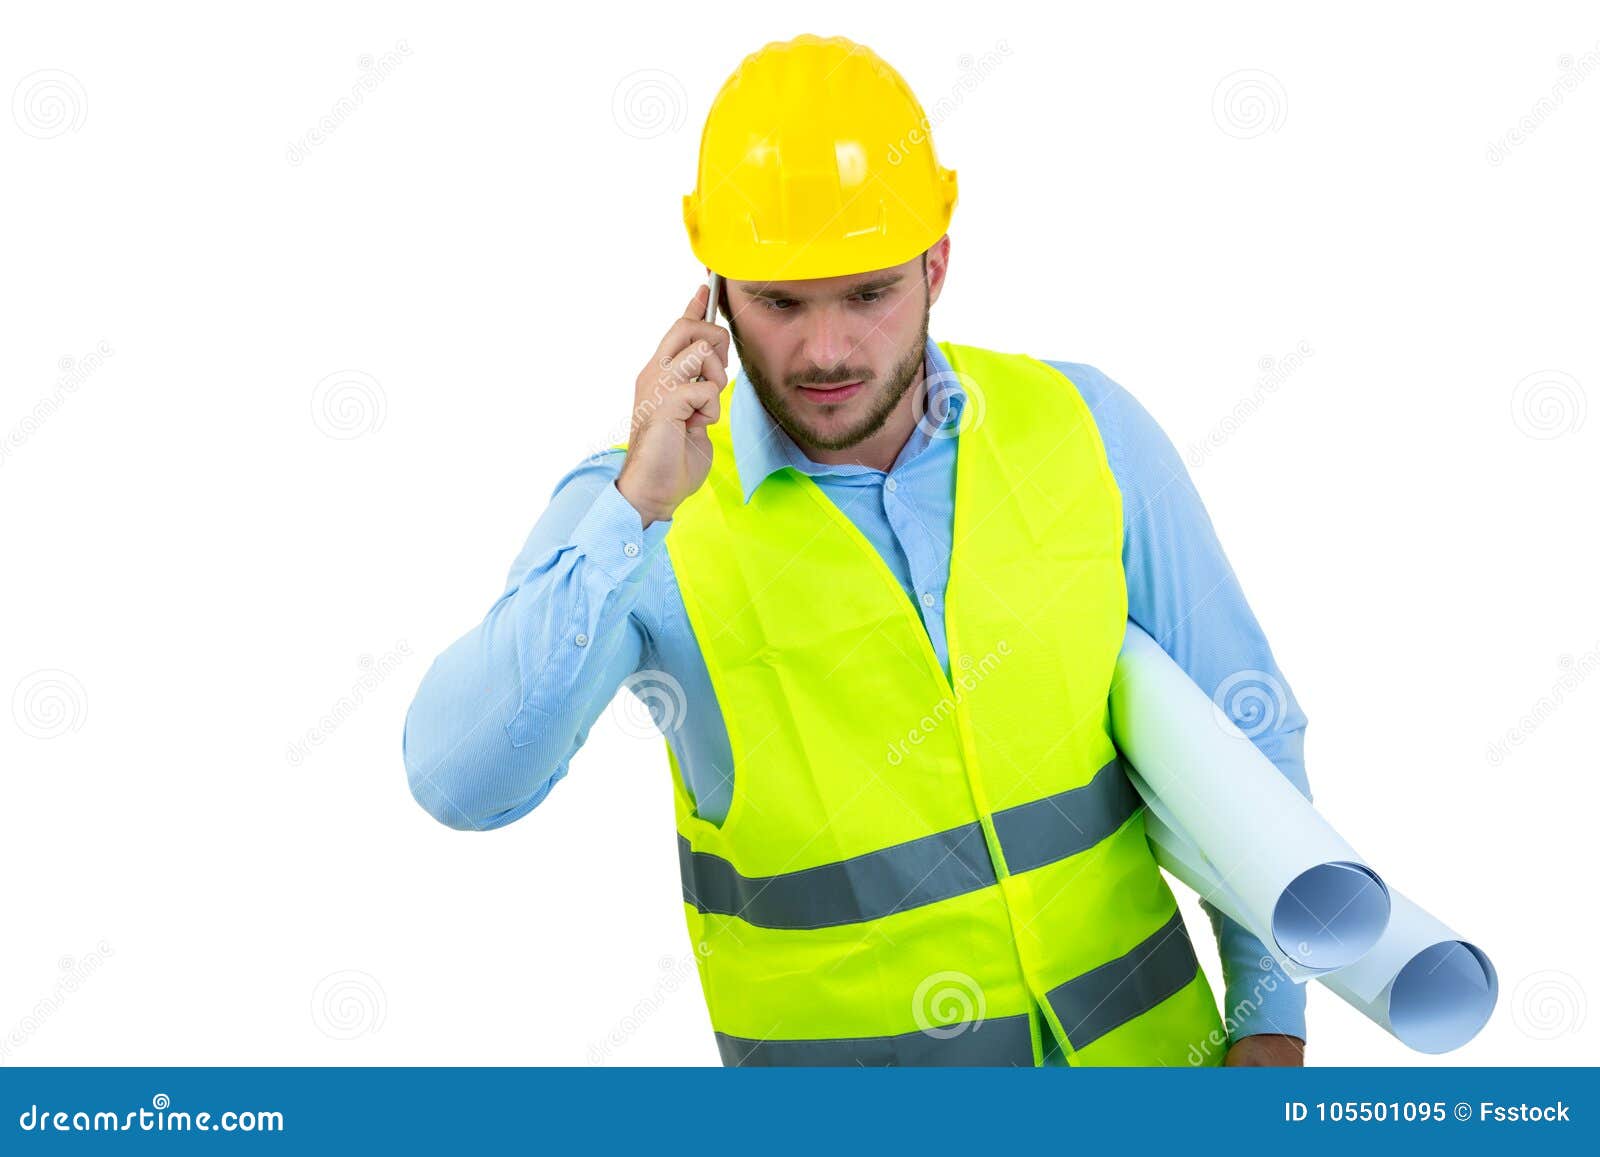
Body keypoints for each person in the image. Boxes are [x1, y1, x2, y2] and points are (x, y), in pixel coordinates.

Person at [403, 33, 1310, 1067]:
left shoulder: (1085, 426)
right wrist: (634, 505)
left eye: (868, 293)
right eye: (781, 301)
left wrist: (1268, 1024)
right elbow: (457, 778)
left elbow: (1250, 726)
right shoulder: (639, 514)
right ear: (713, 293)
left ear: (936, 265)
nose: (825, 350)